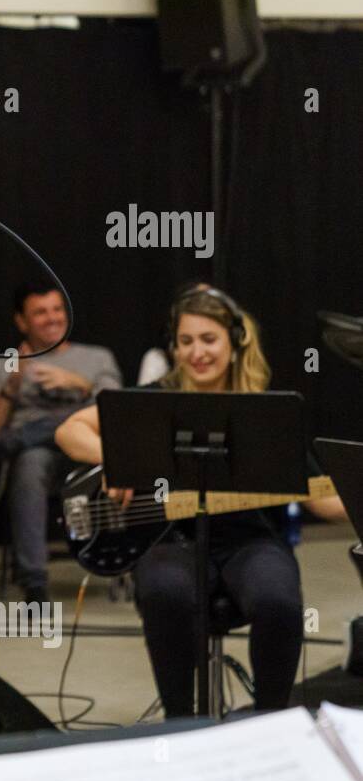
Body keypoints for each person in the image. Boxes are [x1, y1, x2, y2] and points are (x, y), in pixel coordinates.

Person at [55, 287, 346, 717]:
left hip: (252, 541)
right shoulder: (153, 401)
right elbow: (68, 431)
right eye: (186, 341)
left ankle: (273, 721)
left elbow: (324, 502)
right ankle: (180, 721)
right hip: (170, 541)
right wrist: (117, 458)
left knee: (277, 600)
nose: (197, 352)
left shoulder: (264, 413)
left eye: (208, 340)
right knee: (164, 592)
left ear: (235, 343)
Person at [0, 280, 121, 602]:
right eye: (40, 312)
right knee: (30, 463)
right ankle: (34, 585)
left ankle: (9, 443)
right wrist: (12, 385)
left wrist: (79, 384)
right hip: (38, 457)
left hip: (88, 453)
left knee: (90, 407)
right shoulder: (3, 364)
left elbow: (118, 413)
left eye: (57, 309)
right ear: (21, 322)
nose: (52, 318)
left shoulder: (96, 358)